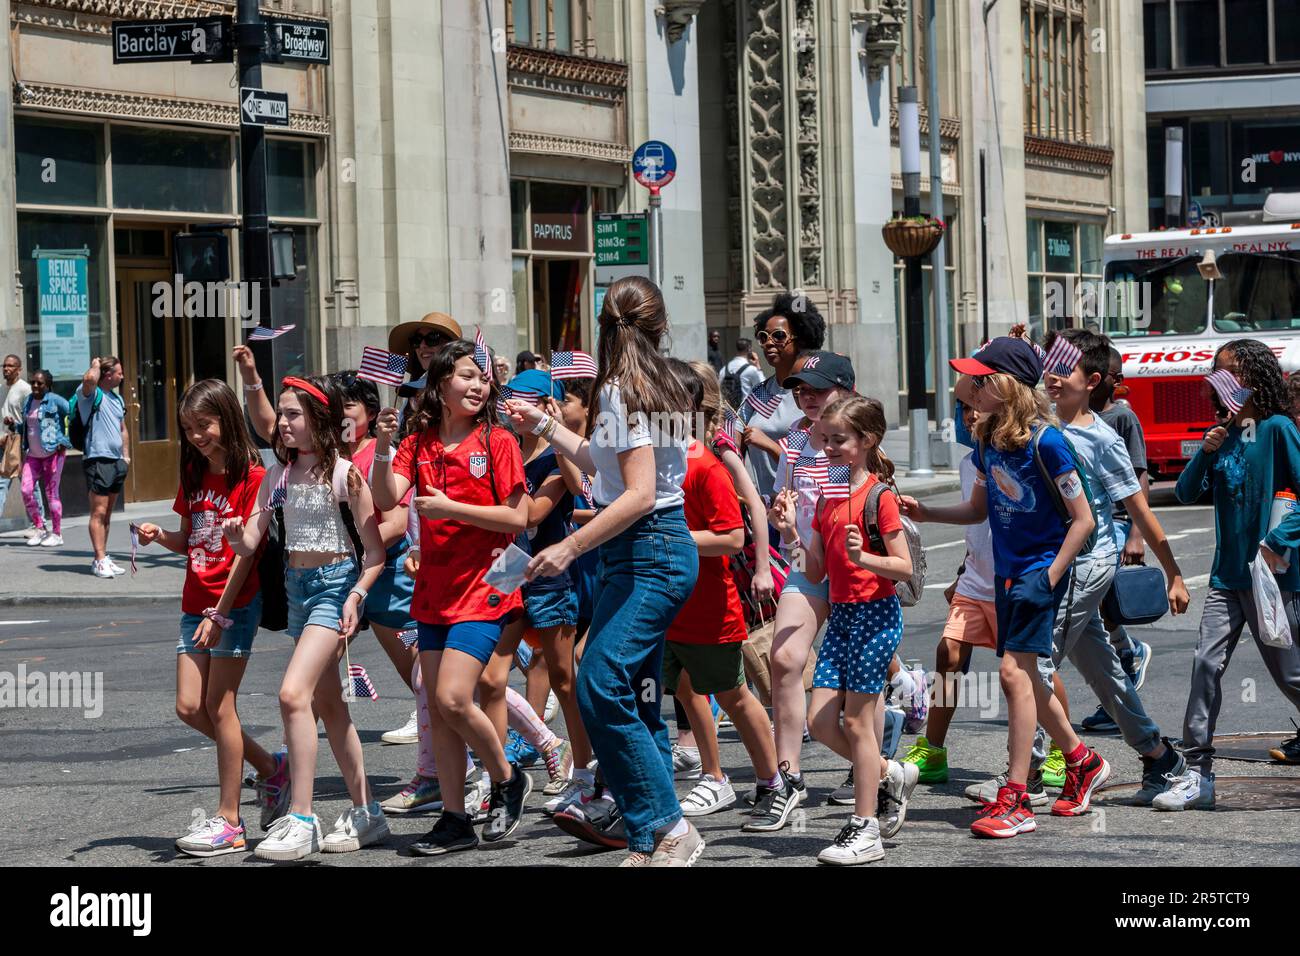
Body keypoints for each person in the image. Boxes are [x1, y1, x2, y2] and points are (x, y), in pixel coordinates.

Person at [504, 275, 702, 867]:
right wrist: (543, 425)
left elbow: (638, 494)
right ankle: (647, 834)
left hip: (650, 552)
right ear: (657, 323)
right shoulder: (654, 381)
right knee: (632, 693)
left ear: (604, 325)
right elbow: (604, 463)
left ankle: (669, 826)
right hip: (644, 553)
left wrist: (568, 548)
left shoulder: (622, 388)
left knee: (597, 682)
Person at [903, 337, 1106, 839]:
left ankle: (1016, 796)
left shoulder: (1049, 442)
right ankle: (1082, 761)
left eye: (979, 377)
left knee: (1014, 674)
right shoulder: (987, 439)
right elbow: (980, 510)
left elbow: (1082, 520)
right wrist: (927, 512)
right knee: (1030, 678)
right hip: (1006, 575)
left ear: (1004, 384)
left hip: (1040, 572)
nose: (968, 387)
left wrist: (1050, 576)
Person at [371, 340, 532, 855]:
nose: (478, 385)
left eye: (483, 377)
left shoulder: (500, 441)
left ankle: (508, 777)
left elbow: (519, 518)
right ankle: (454, 817)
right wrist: (380, 445)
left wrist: (453, 509)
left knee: (453, 698)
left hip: (487, 586)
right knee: (440, 712)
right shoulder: (417, 443)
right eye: (466, 376)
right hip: (434, 591)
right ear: (440, 385)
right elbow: (383, 496)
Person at [223, 375, 390, 861]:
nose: (284, 423)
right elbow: (252, 543)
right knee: (332, 706)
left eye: (293, 414)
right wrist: (236, 536)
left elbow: (375, 553)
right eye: (282, 413)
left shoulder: (345, 477)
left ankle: (301, 818)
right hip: (298, 594)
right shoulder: (276, 476)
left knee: (292, 695)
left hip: (334, 589)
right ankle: (367, 812)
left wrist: (356, 595)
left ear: (320, 419)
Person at [1026, 328, 1188, 811]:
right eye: (1048, 366)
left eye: (1063, 369)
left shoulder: (1101, 437)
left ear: (1093, 380)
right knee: (1104, 673)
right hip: (1060, 561)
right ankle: (1162, 760)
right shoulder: (1042, 422)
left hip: (1089, 563)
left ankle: (1029, 775)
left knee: (1032, 665)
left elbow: (1139, 510)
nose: (1051, 378)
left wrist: (1174, 573)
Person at [134, 379, 284, 857]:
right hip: (194, 599)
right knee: (188, 707)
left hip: (233, 603)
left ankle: (229, 821)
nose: (197, 435)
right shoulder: (195, 474)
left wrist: (220, 614)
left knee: (220, 708)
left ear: (226, 418)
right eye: (189, 428)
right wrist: (159, 536)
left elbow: (247, 555)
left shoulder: (253, 477)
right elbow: (190, 539)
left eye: (205, 425)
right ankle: (272, 769)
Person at [772, 395, 916, 864]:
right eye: (824, 440)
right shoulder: (831, 490)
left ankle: (865, 827)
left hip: (875, 615)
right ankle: (889, 770)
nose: (828, 449)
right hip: (840, 615)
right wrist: (792, 531)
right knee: (819, 721)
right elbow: (813, 572)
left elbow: (904, 567)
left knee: (856, 721)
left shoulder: (880, 496)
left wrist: (863, 558)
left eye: (839, 441)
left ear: (866, 441)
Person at [1165, 339, 1300, 807]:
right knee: (1205, 664)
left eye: (1228, 373)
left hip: (1271, 578)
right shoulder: (1221, 432)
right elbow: (1184, 493)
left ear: (1252, 378)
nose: (1216, 382)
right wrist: (1206, 449)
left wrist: (1277, 543)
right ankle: (1197, 773)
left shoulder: (1279, 429)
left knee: (1291, 677)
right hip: (1227, 578)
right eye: (1215, 373)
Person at [660, 358, 780, 818]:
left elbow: (731, 537)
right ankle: (714, 776)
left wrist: (671, 538)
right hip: (669, 603)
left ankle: (772, 781)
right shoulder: (656, 461)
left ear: (684, 405)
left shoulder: (704, 466)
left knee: (733, 694)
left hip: (709, 605)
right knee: (687, 691)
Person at [745, 350, 855, 833]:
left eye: (818, 389)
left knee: (855, 684)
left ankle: (871, 766)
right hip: (806, 567)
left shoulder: (848, 443)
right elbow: (782, 502)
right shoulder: (792, 443)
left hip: (853, 571)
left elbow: (842, 509)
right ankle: (788, 779)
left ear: (845, 390)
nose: (807, 398)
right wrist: (781, 522)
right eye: (800, 390)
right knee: (785, 660)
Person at [478, 368, 584, 799]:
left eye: (523, 402)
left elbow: (535, 514)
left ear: (545, 406)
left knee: (563, 677)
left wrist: (556, 433)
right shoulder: (499, 448)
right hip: (507, 565)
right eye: (509, 401)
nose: (512, 409)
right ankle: (502, 774)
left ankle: (584, 765)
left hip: (547, 567)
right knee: (488, 677)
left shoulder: (553, 457)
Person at [902, 391, 992, 784]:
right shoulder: (968, 462)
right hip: (976, 577)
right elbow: (978, 526)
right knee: (949, 654)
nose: (968, 415)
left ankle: (1064, 752)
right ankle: (934, 750)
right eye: (963, 407)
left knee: (1029, 670)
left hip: (1016, 579)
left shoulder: (1019, 455)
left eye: (975, 405)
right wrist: (962, 572)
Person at [1082, 346, 1154, 733]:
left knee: (1101, 606)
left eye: (1111, 374)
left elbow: (1138, 476)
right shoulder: (1080, 417)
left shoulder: (1122, 417)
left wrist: (1137, 534)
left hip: (1121, 520)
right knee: (1098, 609)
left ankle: (1127, 657)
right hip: (1090, 522)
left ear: (1111, 380)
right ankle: (1127, 657)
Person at [741, 294, 825, 504]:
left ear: (801, 339)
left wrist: (769, 445)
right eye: (763, 336)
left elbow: (813, 465)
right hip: (769, 510)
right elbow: (729, 437)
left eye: (778, 336)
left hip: (806, 511)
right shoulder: (760, 393)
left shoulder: (812, 396)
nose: (768, 343)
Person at [76, 356, 131, 579]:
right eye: (119, 372)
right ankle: (98, 560)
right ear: (108, 375)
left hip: (116, 462)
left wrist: (125, 457)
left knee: (107, 513)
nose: (122, 376)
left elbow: (123, 429)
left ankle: (103, 555)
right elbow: (89, 378)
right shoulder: (90, 394)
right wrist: (96, 365)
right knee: (98, 512)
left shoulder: (116, 399)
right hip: (98, 459)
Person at [19, 370, 71, 547]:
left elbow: (72, 417)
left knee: (51, 494)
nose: (35, 386)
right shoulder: (28, 401)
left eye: (39, 383)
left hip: (52, 455)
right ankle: (40, 528)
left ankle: (57, 534)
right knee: (26, 490)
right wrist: (14, 425)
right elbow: (27, 426)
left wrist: (64, 440)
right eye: (33, 382)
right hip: (33, 456)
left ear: (48, 385)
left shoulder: (55, 400)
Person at [0, 354, 32, 518]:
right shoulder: (1, 389)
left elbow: (30, 417)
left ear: (19, 369)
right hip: (3, 443)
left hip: (19, 443)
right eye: (4, 365)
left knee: (29, 484)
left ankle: (38, 524)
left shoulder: (25, 389)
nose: (6, 369)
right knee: (1, 483)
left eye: (11, 366)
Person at [721, 337, 764, 407]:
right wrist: (757, 364)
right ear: (749, 349)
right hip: (744, 414)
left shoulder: (723, 369)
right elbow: (763, 388)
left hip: (728, 413)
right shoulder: (751, 370)